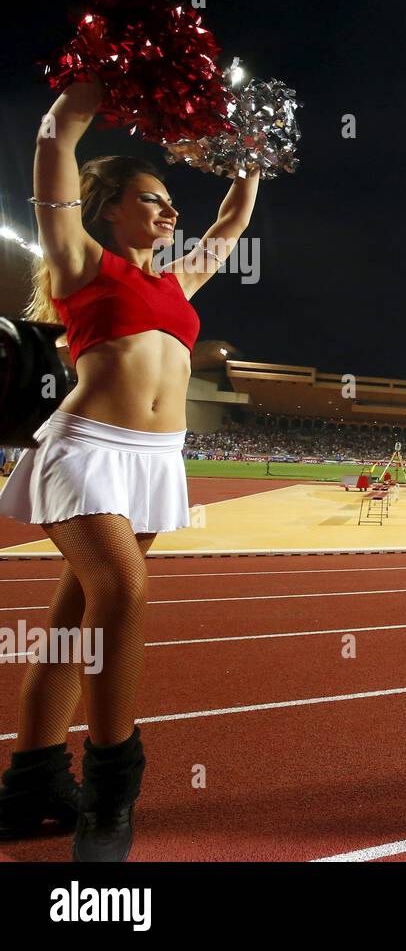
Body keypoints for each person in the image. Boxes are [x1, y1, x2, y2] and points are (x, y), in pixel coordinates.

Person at [0, 77, 261, 860]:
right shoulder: (79, 260)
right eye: (151, 199)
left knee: (71, 626)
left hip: (154, 463)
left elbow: (232, 217)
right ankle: (110, 797)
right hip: (82, 447)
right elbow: (55, 140)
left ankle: (34, 783)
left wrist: (247, 156)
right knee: (122, 590)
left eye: (170, 202)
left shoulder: (175, 279)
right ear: (106, 207)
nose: (168, 211)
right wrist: (107, 78)